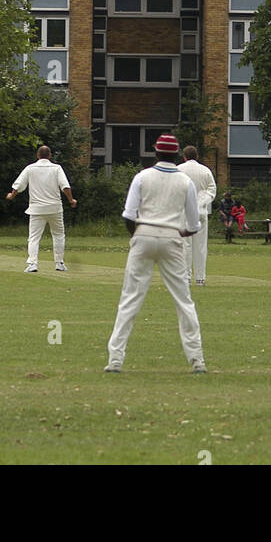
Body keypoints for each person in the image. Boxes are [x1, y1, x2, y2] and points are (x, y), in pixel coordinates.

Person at [104, 134, 207, 375]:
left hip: (143, 234)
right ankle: (197, 360)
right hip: (172, 238)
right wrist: (179, 233)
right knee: (184, 301)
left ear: (156, 153)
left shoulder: (142, 176)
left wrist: (137, 237)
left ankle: (115, 359)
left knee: (130, 299)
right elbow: (193, 224)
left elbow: (129, 215)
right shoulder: (185, 182)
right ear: (176, 153)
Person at [6, 145, 76, 273]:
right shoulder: (57, 168)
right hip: (55, 208)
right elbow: (65, 186)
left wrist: (11, 195)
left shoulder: (30, 168)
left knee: (33, 237)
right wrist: (71, 200)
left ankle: (32, 264)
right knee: (58, 235)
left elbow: (19, 185)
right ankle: (59, 263)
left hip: (37, 209)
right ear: (49, 156)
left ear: (38, 155)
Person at [177, 146, 216, 285]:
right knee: (200, 246)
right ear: (197, 156)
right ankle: (200, 278)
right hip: (201, 213)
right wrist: (201, 203)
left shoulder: (178, 170)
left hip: (184, 212)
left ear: (184, 157)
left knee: (185, 246)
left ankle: (186, 278)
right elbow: (212, 191)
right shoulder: (205, 170)